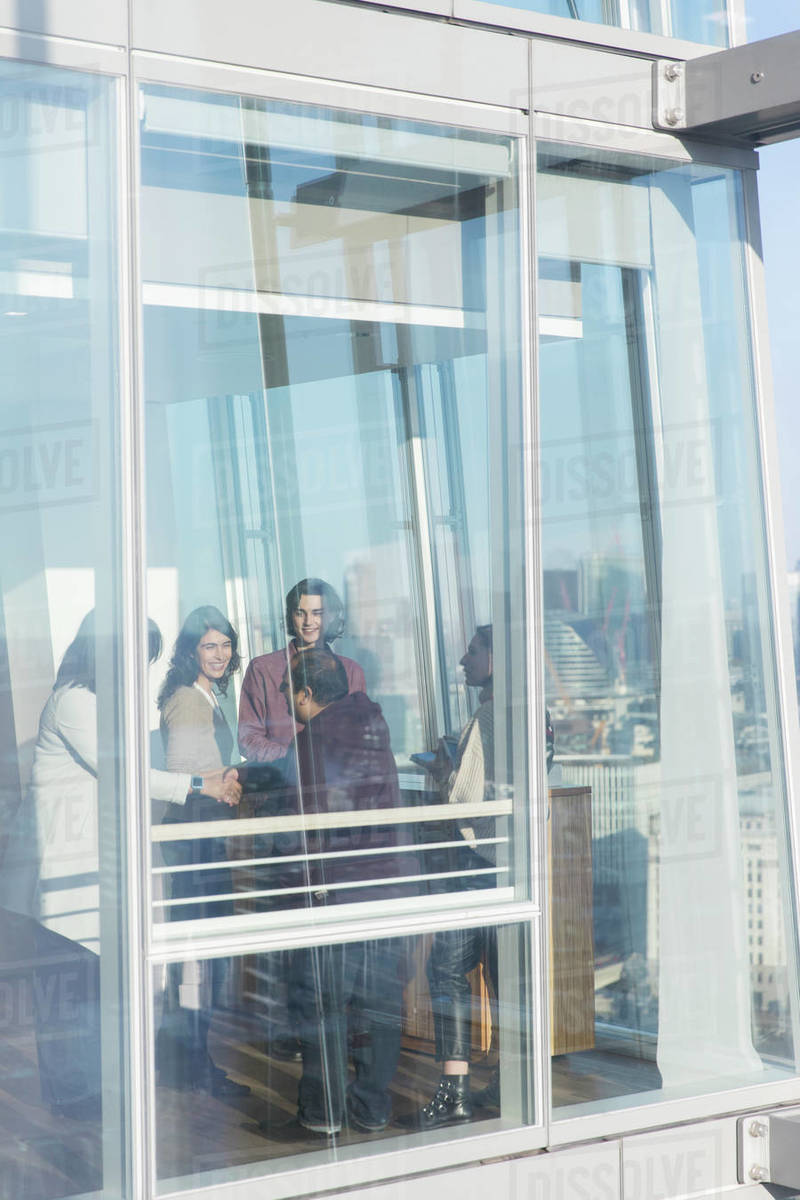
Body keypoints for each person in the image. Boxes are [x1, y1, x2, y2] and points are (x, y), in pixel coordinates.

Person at [238, 649, 416, 1135]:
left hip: (332, 891)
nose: (288, 705)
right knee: (379, 1003)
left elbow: (303, 824)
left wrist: (285, 887)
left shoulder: (315, 742)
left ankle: (323, 1114)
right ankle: (372, 1106)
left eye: (289, 695)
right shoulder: (372, 726)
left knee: (320, 1002)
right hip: (382, 888)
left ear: (306, 693)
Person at [405, 624, 498, 1129]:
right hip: (514, 861)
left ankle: (453, 1090)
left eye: (474, 650)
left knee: (445, 971)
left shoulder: (486, 717)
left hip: (477, 863)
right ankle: (511, 1072)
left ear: (496, 658)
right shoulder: (534, 712)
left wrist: (445, 768)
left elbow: (465, 797)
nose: (464, 659)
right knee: (506, 973)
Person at [156, 605, 248, 1097]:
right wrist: (224, 785)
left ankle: (189, 1059)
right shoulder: (190, 702)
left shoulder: (207, 697)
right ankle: (192, 1064)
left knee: (199, 957)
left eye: (225, 644)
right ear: (191, 651)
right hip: (195, 844)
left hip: (203, 841)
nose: (219, 654)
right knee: (198, 957)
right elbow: (185, 777)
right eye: (209, 645)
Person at [237, 577, 366, 762]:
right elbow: (247, 740)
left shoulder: (351, 671)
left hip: (336, 782)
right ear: (291, 616)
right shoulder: (263, 670)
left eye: (317, 613)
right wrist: (297, 760)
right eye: (300, 613)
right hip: (282, 784)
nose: (308, 621)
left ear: (330, 616)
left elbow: (359, 738)